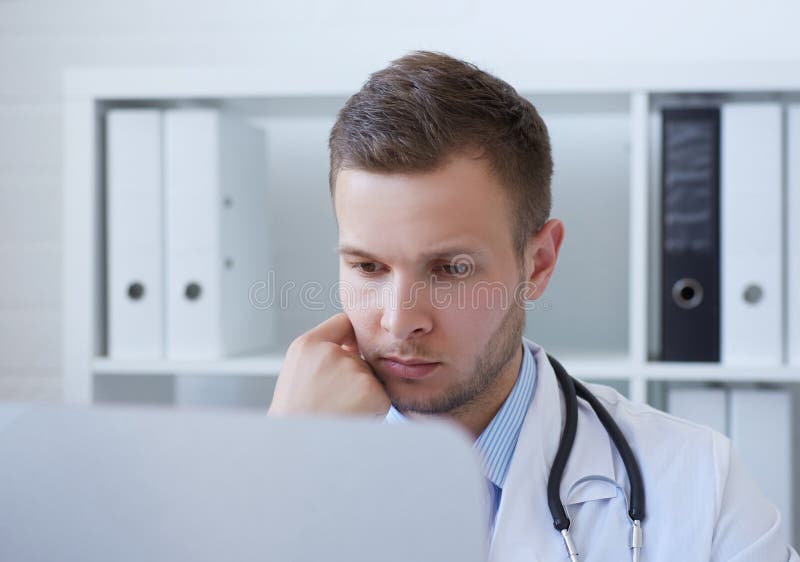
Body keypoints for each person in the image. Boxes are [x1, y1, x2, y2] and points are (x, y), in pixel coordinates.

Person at [267, 51, 799, 561]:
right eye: (368, 266)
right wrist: (281, 462)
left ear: (538, 264)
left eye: (451, 269)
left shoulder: (699, 482)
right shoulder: (287, 460)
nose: (400, 321)